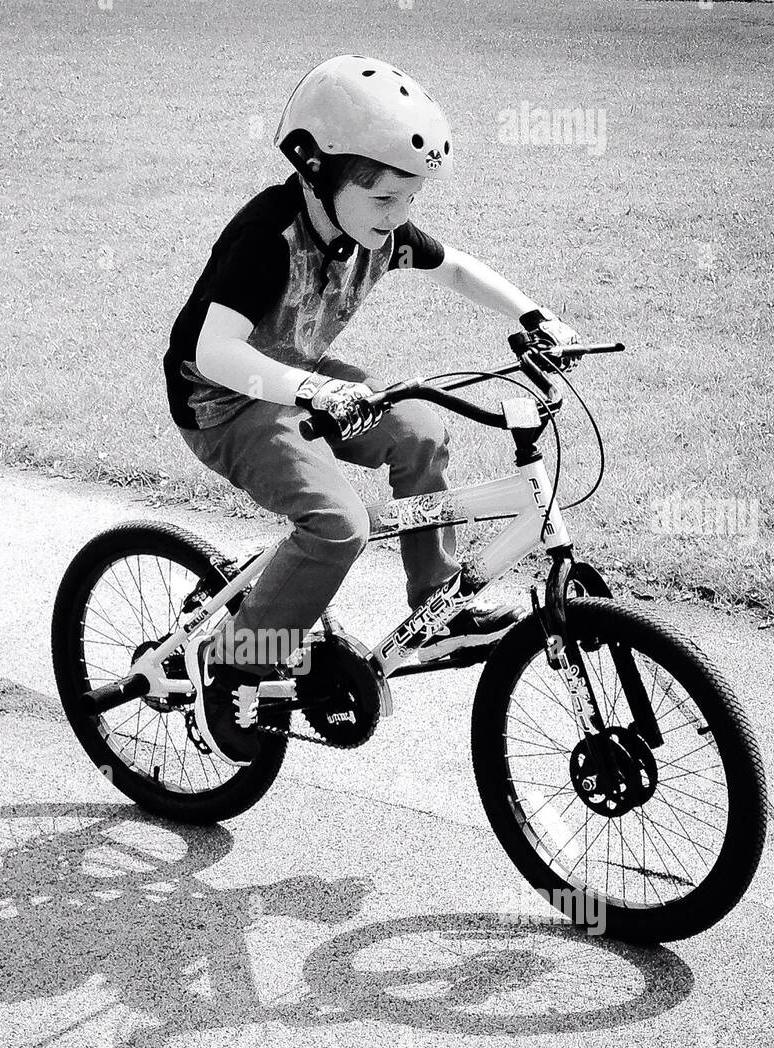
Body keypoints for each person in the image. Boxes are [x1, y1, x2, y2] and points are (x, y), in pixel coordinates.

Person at [162, 54, 578, 766]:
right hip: (225, 402)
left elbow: (451, 265)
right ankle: (237, 665)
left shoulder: (373, 229)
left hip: (298, 374)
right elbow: (216, 350)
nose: (399, 220)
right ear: (319, 174)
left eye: (410, 201)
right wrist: (314, 391)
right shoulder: (268, 233)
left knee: (420, 428)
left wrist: (533, 314)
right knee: (336, 524)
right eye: (385, 200)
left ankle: (436, 603)